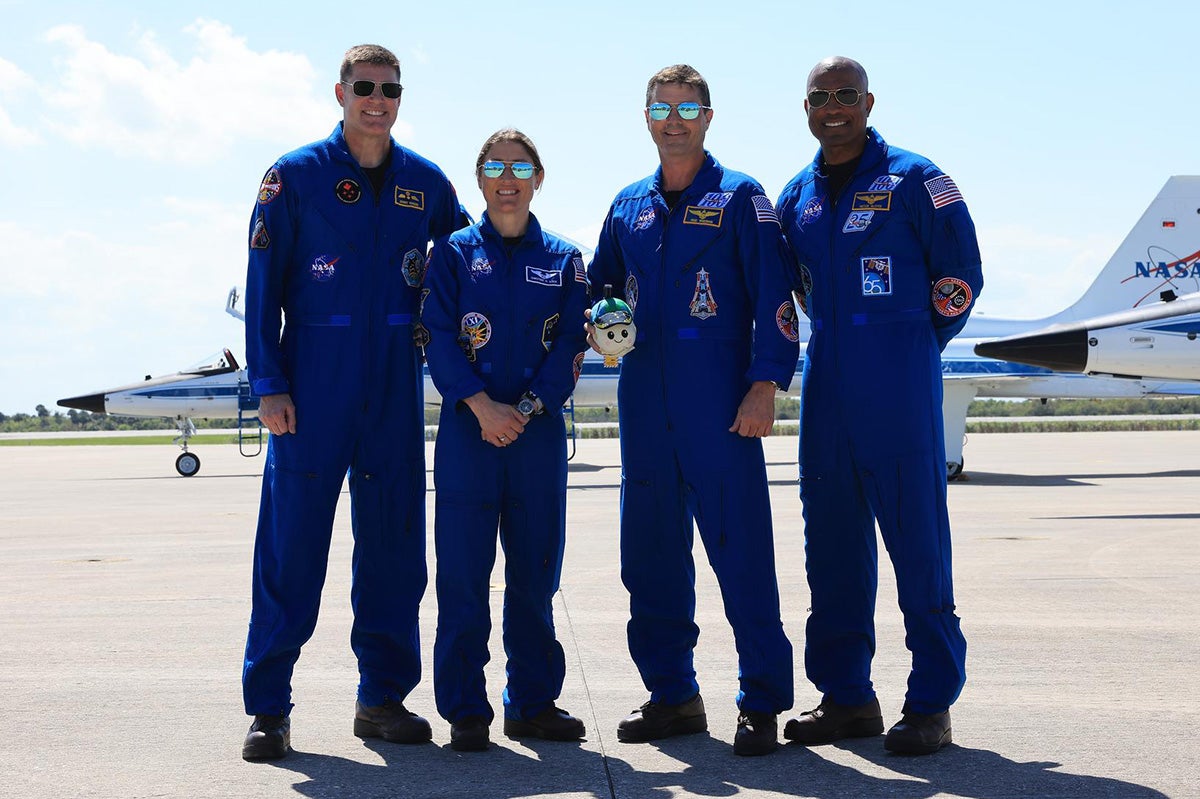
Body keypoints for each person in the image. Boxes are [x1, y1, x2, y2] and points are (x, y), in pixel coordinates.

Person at [239, 44, 467, 761]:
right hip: (312, 385)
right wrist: (269, 382)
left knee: (395, 548)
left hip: (394, 386)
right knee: (291, 550)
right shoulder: (294, 178)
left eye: (389, 89)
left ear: (401, 96)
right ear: (340, 92)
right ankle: (269, 708)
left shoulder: (426, 185)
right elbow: (261, 287)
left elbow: (473, 267)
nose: (377, 99)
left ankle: (383, 698)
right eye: (364, 87)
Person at [587, 64, 800, 757]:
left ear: (708, 116)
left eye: (686, 107)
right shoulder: (627, 206)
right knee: (649, 560)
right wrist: (600, 313)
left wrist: (765, 383)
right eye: (661, 107)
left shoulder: (742, 198)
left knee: (741, 557)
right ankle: (671, 694)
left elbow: (776, 295)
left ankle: (762, 699)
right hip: (645, 403)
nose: (673, 119)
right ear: (645, 117)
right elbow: (600, 285)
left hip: (721, 404)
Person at [775, 56, 984, 755]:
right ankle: (846, 697)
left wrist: (914, 343)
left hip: (899, 376)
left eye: (846, 95)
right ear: (805, 108)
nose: (833, 107)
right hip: (827, 379)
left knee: (917, 542)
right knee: (829, 545)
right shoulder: (796, 194)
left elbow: (960, 278)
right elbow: (798, 289)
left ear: (868, 101)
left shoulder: (921, 181)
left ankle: (930, 702)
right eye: (820, 97)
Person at [421, 129, 590, 752]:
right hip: (469, 434)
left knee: (535, 574)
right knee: (463, 576)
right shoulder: (453, 255)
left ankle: (532, 702)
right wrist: (481, 406)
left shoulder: (567, 259)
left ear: (538, 178)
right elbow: (437, 335)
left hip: (536, 435)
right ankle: (466, 708)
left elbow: (574, 341)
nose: (508, 177)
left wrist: (525, 407)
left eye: (521, 167)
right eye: (495, 166)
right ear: (481, 180)